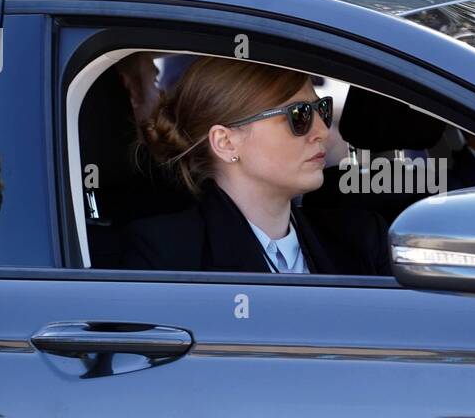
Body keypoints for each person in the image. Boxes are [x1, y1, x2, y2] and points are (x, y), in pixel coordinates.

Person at [121, 56, 390, 275]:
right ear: (226, 142)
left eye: (322, 110)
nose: (323, 132)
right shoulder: (166, 254)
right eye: (299, 115)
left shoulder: (362, 239)